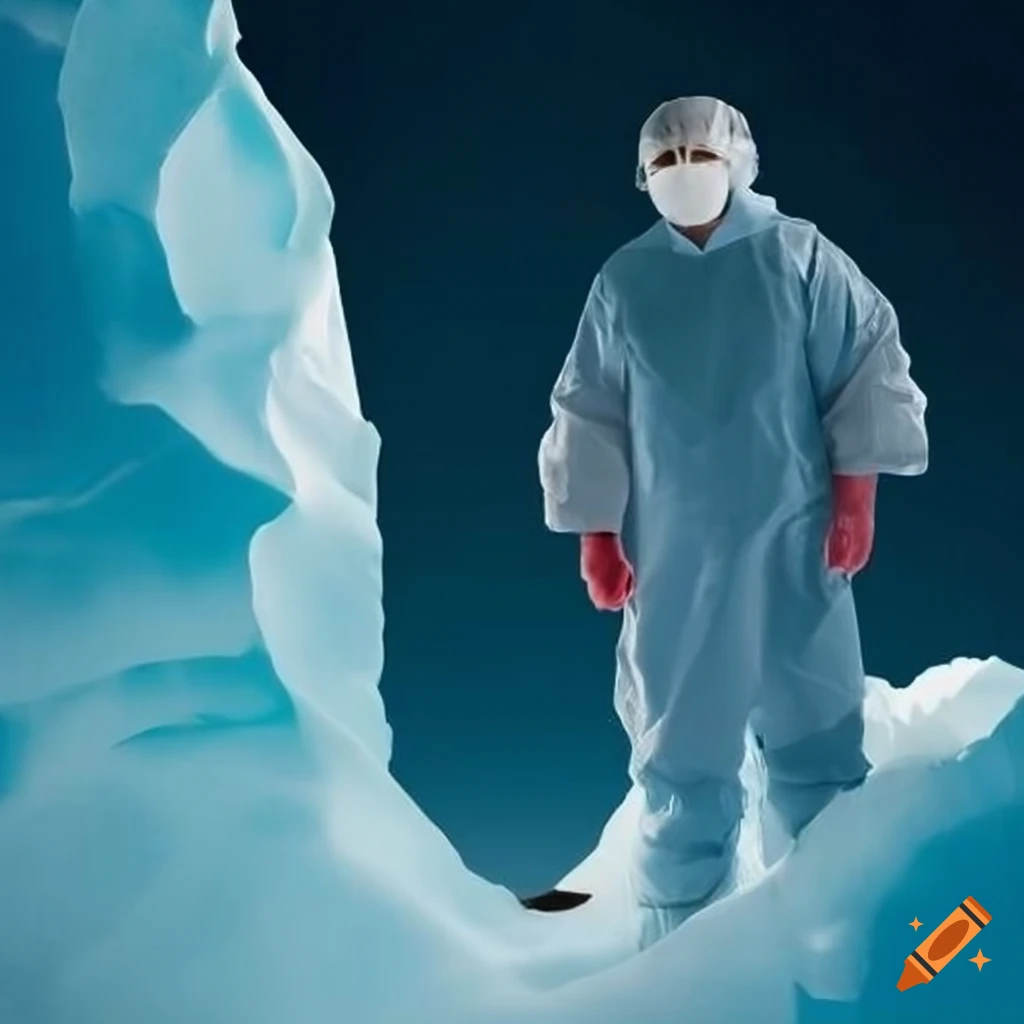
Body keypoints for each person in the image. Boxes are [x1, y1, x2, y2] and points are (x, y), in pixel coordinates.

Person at [530, 96, 928, 945]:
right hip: (673, 555)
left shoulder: (797, 255)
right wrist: (598, 535)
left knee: (818, 742)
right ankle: (683, 961)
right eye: (665, 161)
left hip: (795, 538)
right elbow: (590, 410)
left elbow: (864, 362)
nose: (683, 172)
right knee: (684, 756)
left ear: (737, 161)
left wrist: (855, 496)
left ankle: (839, 943)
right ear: (643, 175)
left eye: (698, 154)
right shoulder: (626, 282)